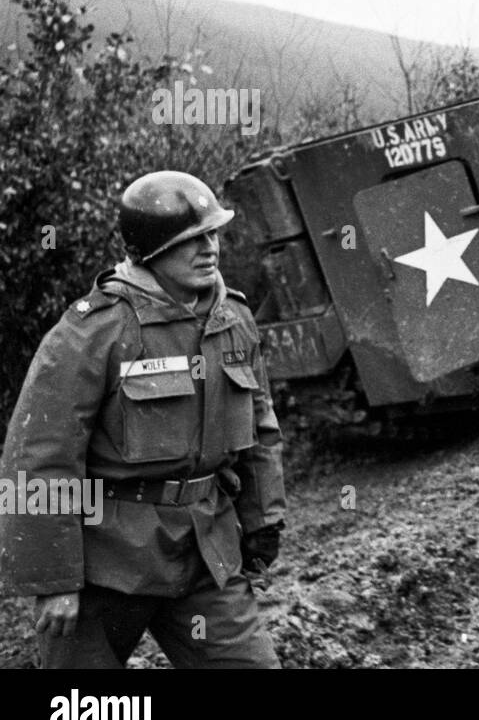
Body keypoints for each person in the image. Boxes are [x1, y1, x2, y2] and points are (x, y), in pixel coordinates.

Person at [0, 170, 287, 668]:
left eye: (212, 234)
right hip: (106, 567)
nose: (209, 249)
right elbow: (40, 458)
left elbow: (261, 428)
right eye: (191, 240)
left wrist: (263, 521)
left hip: (204, 555)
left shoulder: (232, 319)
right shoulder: (96, 330)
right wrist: (54, 581)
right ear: (150, 250)